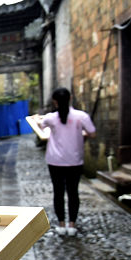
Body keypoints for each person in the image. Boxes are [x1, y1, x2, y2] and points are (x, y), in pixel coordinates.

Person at [33, 87, 96, 236]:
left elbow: (40, 127)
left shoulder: (50, 118)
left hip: (55, 161)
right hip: (75, 160)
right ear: (71, 98)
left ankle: (61, 225)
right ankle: (72, 225)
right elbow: (92, 133)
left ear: (55, 102)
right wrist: (81, 135)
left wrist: (36, 120)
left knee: (58, 192)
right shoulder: (81, 116)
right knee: (73, 192)